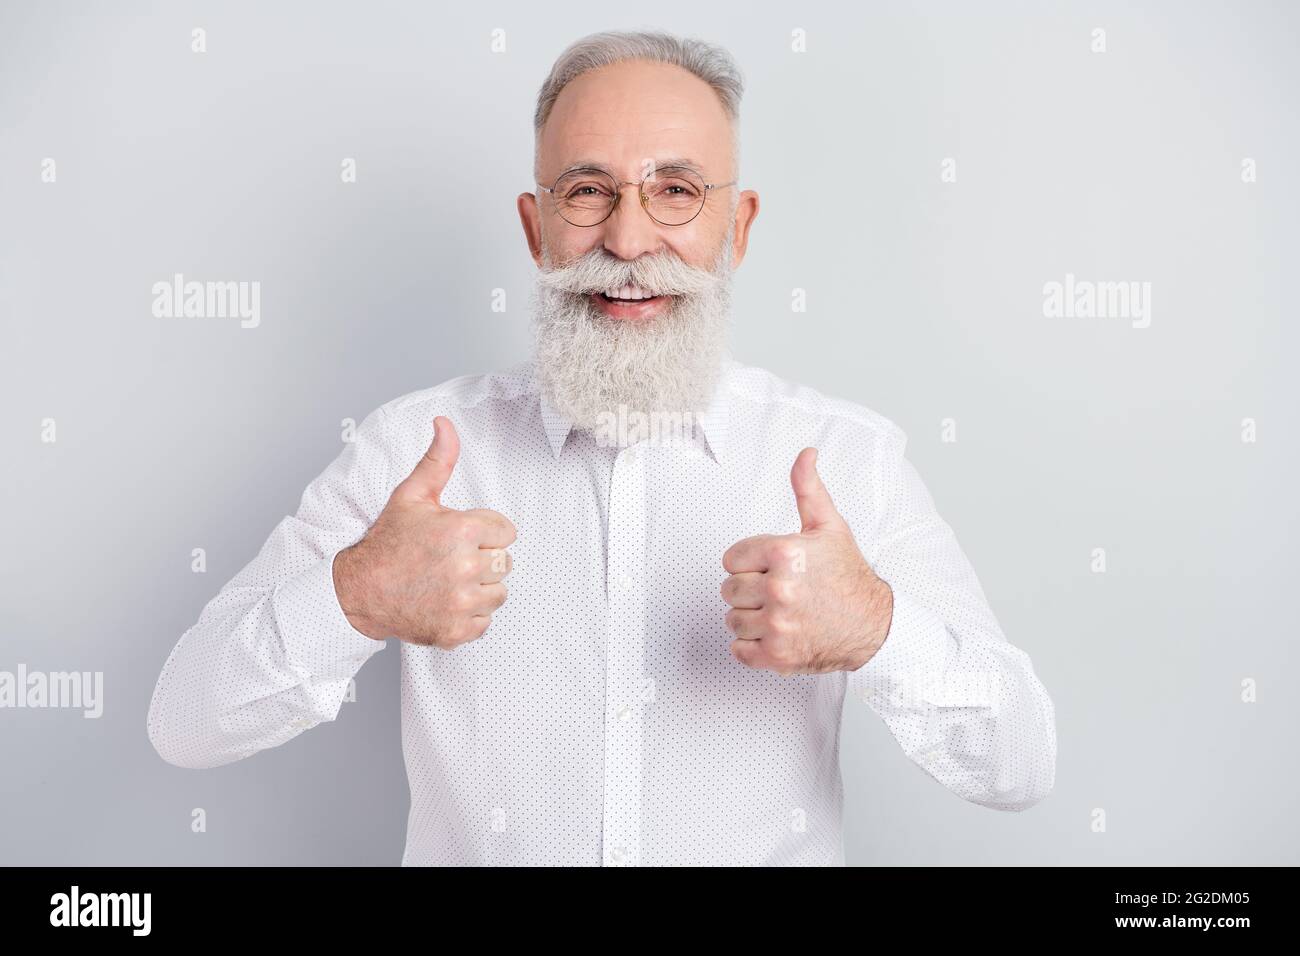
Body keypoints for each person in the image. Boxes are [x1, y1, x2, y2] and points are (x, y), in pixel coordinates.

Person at [147, 29, 1056, 866]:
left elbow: (1020, 765)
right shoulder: (415, 449)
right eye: (586, 191)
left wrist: (877, 630)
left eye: (676, 190)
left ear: (735, 226)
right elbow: (185, 722)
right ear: (536, 227)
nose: (626, 240)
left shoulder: (843, 458)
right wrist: (354, 596)